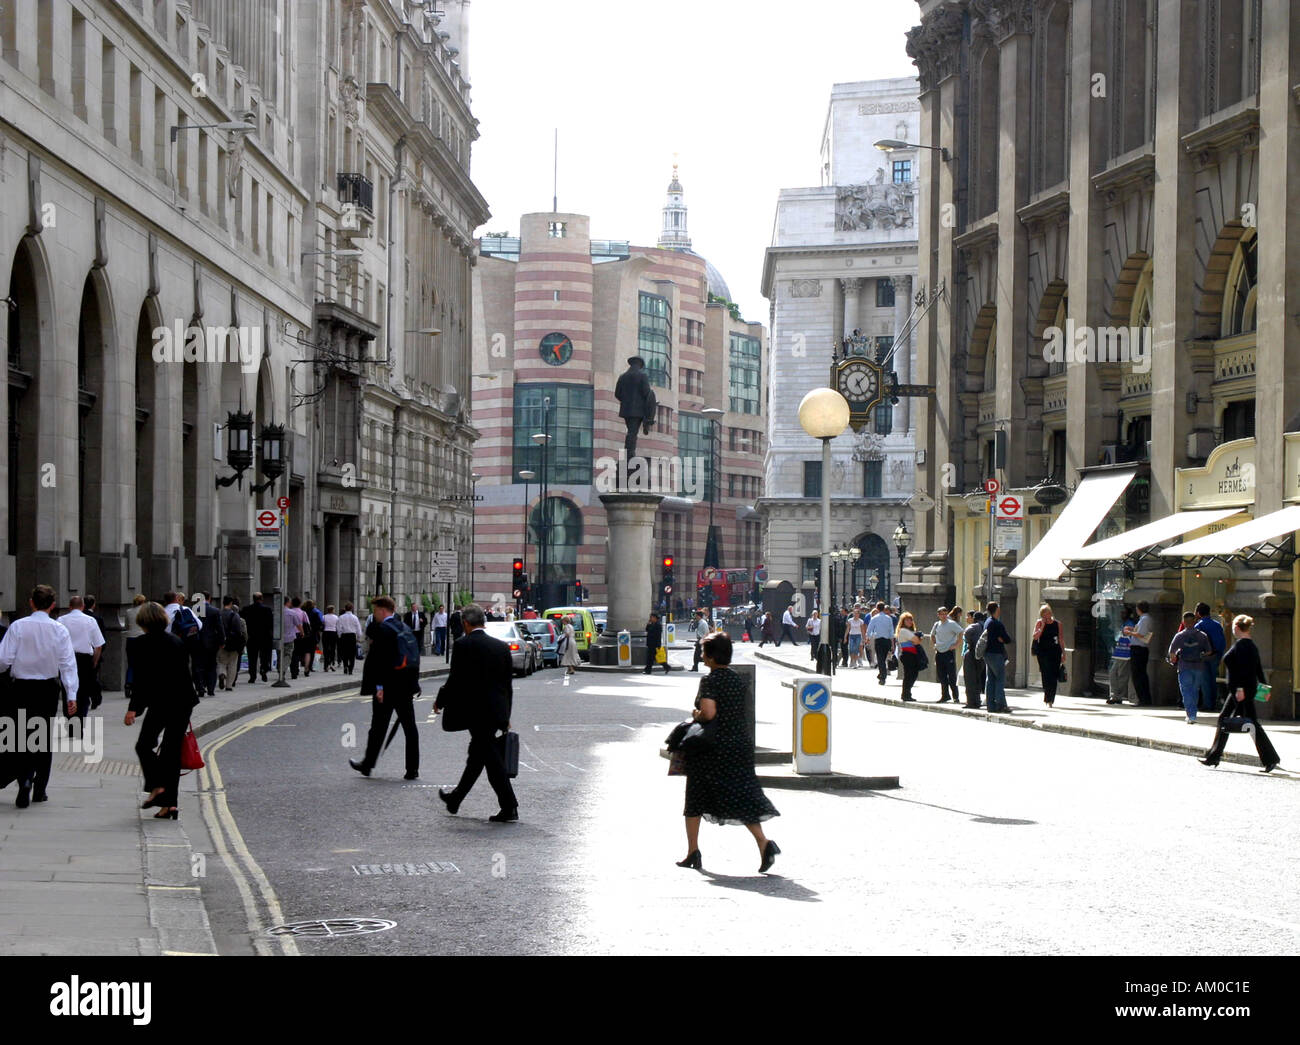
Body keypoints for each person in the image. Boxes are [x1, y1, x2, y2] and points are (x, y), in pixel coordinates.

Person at [675, 631, 780, 873]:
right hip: (739, 746)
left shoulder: (711, 680)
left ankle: (693, 851)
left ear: (711, 657)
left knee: (695, 797)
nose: (702, 655)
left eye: (704, 652)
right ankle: (764, 844)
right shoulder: (736, 679)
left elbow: (709, 714)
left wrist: (695, 715)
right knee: (741, 796)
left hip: (713, 748)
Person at [434, 603, 518, 822]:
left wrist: (440, 701)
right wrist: (506, 715)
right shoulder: (501, 647)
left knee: (490, 759)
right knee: (478, 757)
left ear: (466, 623)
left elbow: (455, 679)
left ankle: (510, 806)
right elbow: (507, 686)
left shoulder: (463, 645)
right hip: (496, 712)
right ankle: (455, 799)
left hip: (475, 713)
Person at [0, 585, 79, 808]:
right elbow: (67, 665)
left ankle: (24, 779)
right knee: (43, 737)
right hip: (47, 689)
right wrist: (71, 694)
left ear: (31, 602)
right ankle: (40, 788)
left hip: (21, 688)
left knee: (22, 735)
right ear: (52, 605)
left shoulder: (17, 627)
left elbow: (4, 659)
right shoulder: (59, 630)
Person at [124, 601, 199, 821]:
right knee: (171, 753)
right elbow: (186, 674)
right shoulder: (176, 641)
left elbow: (141, 680)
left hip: (161, 703)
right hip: (182, 702)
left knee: (144, 745)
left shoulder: (139, 644)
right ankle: (170, 806)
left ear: (142, 621)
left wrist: (133, 709)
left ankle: (157, 786)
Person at [349, 596, 421, 780]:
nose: (374, 614)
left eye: (375, 611)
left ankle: (367, 764)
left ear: (382, 610)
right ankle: (412, 769)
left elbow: (380, 662)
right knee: (410, 728)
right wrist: (414, 684)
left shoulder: (384, 630)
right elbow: (414, 657)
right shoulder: (404, 627)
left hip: (388, 687)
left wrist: (379, 686)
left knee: (378, 726)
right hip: (405, 686)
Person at [1199, 615, 1280, 772]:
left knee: (1252, 724)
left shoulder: (1243, 646)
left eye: (1234, 627)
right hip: (1240, 690)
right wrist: (1264, 687)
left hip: (1241, 691)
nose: (1233, 629)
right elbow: (1257, 668)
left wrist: (1241, 689)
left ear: (1237, 628)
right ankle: (1213, 757)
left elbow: (1244, 669)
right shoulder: (1250, 645)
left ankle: (1271, 758)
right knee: (1225, 719)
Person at [59, 596, 104, 726]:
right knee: (83, 691)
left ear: (69, 606)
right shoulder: (90, 620)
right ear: (83, 607)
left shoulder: (61, 620)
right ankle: (80, 720)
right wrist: (94, 661)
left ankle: (70, 719)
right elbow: (98, 645)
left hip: (67, 657)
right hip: (85, 659)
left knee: (67, 688)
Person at [1168, 610, 1213, 724]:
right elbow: (1209, 651)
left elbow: (1171, 652)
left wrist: (1174, 659)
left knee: (1186, 691)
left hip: (1184, 666)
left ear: (1184, 622)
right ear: (1195, 621)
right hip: (1198, 666)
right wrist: (1201, 654)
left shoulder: (1179, 636)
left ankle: (1190, 715)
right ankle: (1193, 714)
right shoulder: (1203, 636)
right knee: (1195, 690)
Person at [614, 355, 658, 458]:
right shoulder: (642, 376)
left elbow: (617, 394)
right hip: (638, 411)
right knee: (632, 433)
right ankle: (629, 454)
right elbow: (647, 393)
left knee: (631, 431)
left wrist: (626, 401)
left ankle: (629, 453)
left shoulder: (622, 376)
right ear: (640, 365)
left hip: (626, 410)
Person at [1194, 602, 1226, 713]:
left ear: (1198, 613)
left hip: (1203, 656)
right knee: (1213, 679)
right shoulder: (1217, 624)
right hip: (1216, 654)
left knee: (1205, 681)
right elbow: (1222, 641)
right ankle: (1215, 702)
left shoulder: (1199, 625)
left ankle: (1208, 704)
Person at [981, 602, 1013, 713]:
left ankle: (990, 705)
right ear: (996, 610)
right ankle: (1001, 704)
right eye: (998, 608)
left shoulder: (987, 622)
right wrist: (1002, 639)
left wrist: (1001, 638)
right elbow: (1007, 639)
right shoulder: (996, 624)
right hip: (996, 654)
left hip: (987, 654)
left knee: (990, 679)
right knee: (1000, 679)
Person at [1032, 603, 1065, 708]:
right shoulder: (1039, 623)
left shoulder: (1057, 624)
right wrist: (1041, 627)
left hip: (1055, 651)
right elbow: (1035, 637)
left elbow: (1060, 639)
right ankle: (1047, 697)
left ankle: (1051, 699)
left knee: (1054, 675)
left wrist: (1063, 653)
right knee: (1046, 674)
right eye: (1045, 614)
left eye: (1048, 613)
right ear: (1042, 615)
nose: (1047, 615)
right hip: (1043, 652)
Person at [191, 593, 224, 697]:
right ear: (209, 599)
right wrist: (222, 642)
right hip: (211, 643)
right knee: (211, 666)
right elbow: (220, 628)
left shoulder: (192, 610)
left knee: (198, 666)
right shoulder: (215, 611)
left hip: (196, 642)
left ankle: (200, 688)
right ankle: (210, 689)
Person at [929, 606, 964, 704]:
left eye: (945, 614)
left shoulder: (952, 624)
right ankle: (945, 695)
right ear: (938, 615)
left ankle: (955, 696)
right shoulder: (937, 624)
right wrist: (935, 644)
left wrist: (956, 644)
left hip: (948, 652)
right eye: (941, 614)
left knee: (952, 675)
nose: (944, 616)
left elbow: (961, 632)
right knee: (941, 675)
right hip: (939, 652)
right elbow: (932, 635)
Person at [240, 593, 274, 684]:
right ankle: (263, 669)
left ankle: (252, 676)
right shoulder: (267, 609)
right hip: (265, 637)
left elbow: (242, 622)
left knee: (252, 658)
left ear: (253, 599)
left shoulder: (246, 609)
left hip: (251, 637)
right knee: (265, 656)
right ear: (261, 598)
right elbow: (271, 624)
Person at [1107, 606, 1137, 705]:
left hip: (1125, 652)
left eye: (1124, 613)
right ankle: (1115, 695)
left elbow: (1131, 636)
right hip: (1120, 652)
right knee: (1113, 673)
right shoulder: (1124, 624)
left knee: (1122, 675)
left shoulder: (1129, 624)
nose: (1121, 614)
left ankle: (1117, 696)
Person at [216, 595, 245, 690]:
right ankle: (229, 686)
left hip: (221, 643)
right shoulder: (235, 615)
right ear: (231, 603)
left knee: (221, 662)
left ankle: (222, 674)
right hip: (233, 644)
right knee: (232, 664)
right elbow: (239, 631)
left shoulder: (218, 614)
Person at [1128, 601, 1154, 706]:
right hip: (1139, 649)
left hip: (1139, 649)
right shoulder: (1144, 619)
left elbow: (1141, 634)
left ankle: (1143, 699)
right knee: (1140, 674)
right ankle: (1144, 698)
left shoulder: (1145, 619)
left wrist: (1129, 633)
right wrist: (1131, 629)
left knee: (1138, 675)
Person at [895, 611, 922, 703]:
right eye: (907, 620)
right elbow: (917, 641)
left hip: (911, 654)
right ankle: (906, 694)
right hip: (908, 654)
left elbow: (916, 641)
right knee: (909, 675)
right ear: (903, 622)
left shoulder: (909, 631)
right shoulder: (903, 631)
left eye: (911, 620)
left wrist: (916, 639)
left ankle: (907, 693)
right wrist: (917, 639)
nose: (909, 622)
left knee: (912, 674)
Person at [962, 611, 987, 708]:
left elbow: (967, 634)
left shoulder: (973, 627)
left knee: (969, 679)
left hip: (972, 653)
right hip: (982, 656)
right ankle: (977, 700)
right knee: (978, 678)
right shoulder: (985, 626)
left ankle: (971, 702)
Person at [868, 602, 894, 683]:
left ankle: (883, 675)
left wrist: (870, 636)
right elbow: (891, 632)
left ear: (877, 608)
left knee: (880, 658)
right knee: (884, 658)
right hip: (887, 641)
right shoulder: (889, 618)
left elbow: (869, 630)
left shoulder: (874, 618)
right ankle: (882, 673)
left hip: (879, 640)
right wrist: (892, 643)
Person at [336, 602, 363, 675]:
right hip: (352, 636)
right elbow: (358, 628)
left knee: (345, 652)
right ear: (352, 608)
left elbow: (338, 628)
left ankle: (345, 666)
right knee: (352, 653)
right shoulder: (355, 617)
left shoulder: (341, 617)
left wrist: (339, 635)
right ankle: (350, 669)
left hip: (344, 636)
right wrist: (359, 636)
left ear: (345, 608)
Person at [301, 599, 323, 675]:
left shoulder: (302, 612)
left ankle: (303, 662)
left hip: (302, 633)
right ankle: (308, 667)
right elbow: (320, 624)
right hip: (312, 634)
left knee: (304, 650)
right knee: (311, 651)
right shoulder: (315, 613)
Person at [321, 604, 339, 671]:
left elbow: (322, 624)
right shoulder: (336, 617)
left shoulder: (324, 617)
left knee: (326, 649)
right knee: (333, 649)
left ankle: (326, 665)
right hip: (333, 633)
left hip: (326, 633)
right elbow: (337, 626)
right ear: (333, 610)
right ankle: (332, 664)